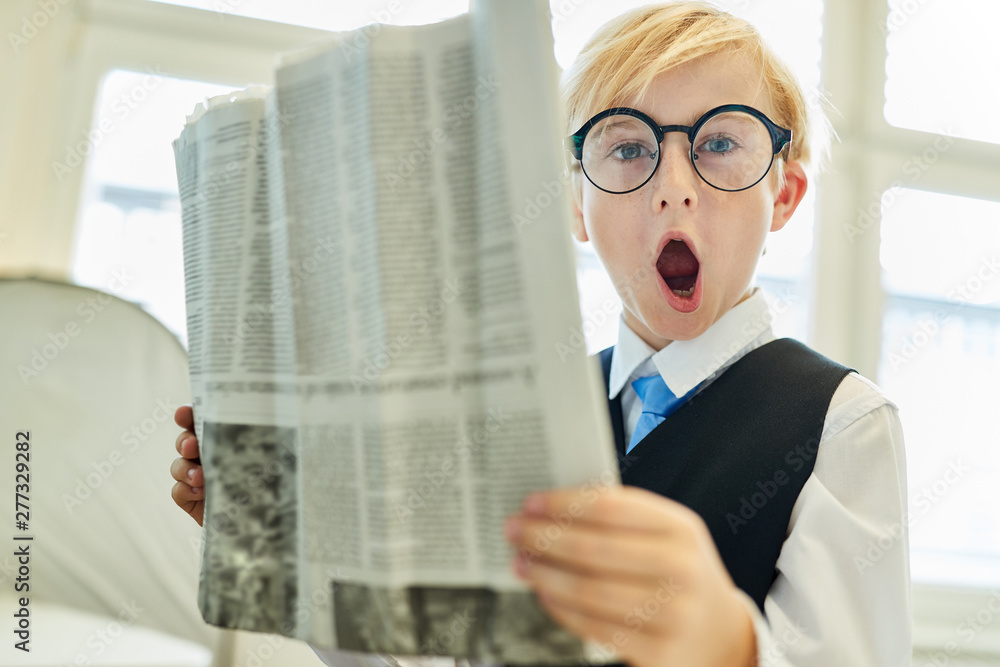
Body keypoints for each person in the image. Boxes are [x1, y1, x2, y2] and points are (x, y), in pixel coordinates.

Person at [171, 3, 911, 666]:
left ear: (783, 195)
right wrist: (286, 540)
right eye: (628, 148)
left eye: (719, 143)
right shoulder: (524, 411)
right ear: (577, 207)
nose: (673, 188)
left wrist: (732, 649)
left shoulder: (842, 424)